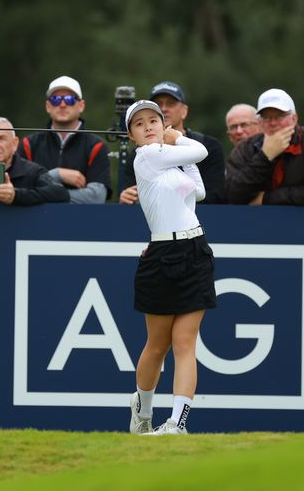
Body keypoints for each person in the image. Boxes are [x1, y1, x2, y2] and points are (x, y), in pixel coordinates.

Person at [123, 100, 215, 435]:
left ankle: (177, 424)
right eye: (139, 124)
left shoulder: (169, 164)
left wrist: (176, 142)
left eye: (154, 121)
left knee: (185, 342)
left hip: (195, 250)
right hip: (162, 254)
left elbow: (200, 191)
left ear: (163, 125)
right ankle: (143, 410)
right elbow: (201, 151)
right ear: (132, 136)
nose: (148, 127)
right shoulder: (146, 157)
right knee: (157, 345)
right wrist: (177, 138)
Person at [119, 81, 225, 205]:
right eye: (158, 104)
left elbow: (207, 194)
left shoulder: (211, 145)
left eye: (171, 103)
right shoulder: (143, 153)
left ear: (184, 111)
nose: (164, 109)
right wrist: (127, 197)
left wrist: (178, 140)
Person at [225, 88, 304, 206]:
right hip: (257, 222)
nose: (273, 123)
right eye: (266, 117)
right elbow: (232, 195)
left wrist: (266, 199)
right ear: (260, 122)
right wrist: (265, 156)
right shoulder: (245, 148)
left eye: (279, 116)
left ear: (294, 119)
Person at [17, 75, 112, 203]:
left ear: (81, 106)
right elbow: (18, 189)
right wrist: (57, 174)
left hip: (80, 221)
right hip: (36, 221)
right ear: (48, 106)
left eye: (69, 99)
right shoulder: (28, 144)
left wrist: (42, 193)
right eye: (55, 99)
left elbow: (96, 197)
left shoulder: (97, 146)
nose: (62, 104)